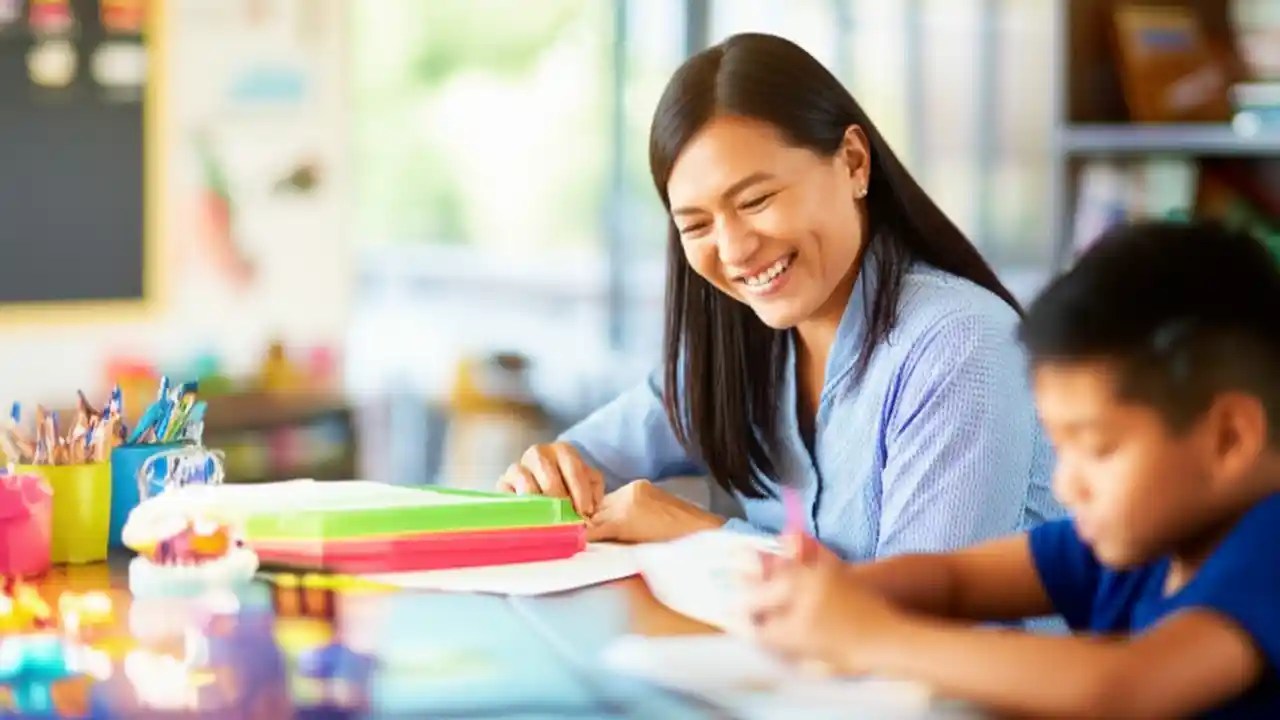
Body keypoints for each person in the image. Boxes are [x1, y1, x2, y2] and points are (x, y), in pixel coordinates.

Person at [497, 32, 1059, 558]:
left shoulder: (961, 344)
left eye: (756, 200)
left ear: (853, 163)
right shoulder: (735, 354)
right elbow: (584, 467)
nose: (734, 249)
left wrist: (703, 539)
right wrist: (547, 474)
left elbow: (917, 619)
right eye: (696, 226)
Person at [746, 220, 1280, 719]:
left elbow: (1120, 685)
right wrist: (841, 592)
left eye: (1098, 448)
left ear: (1229, 438)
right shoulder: (1147, 536)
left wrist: (870, 636)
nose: (1066, 484)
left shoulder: (1267, 550)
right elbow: (954, 580)